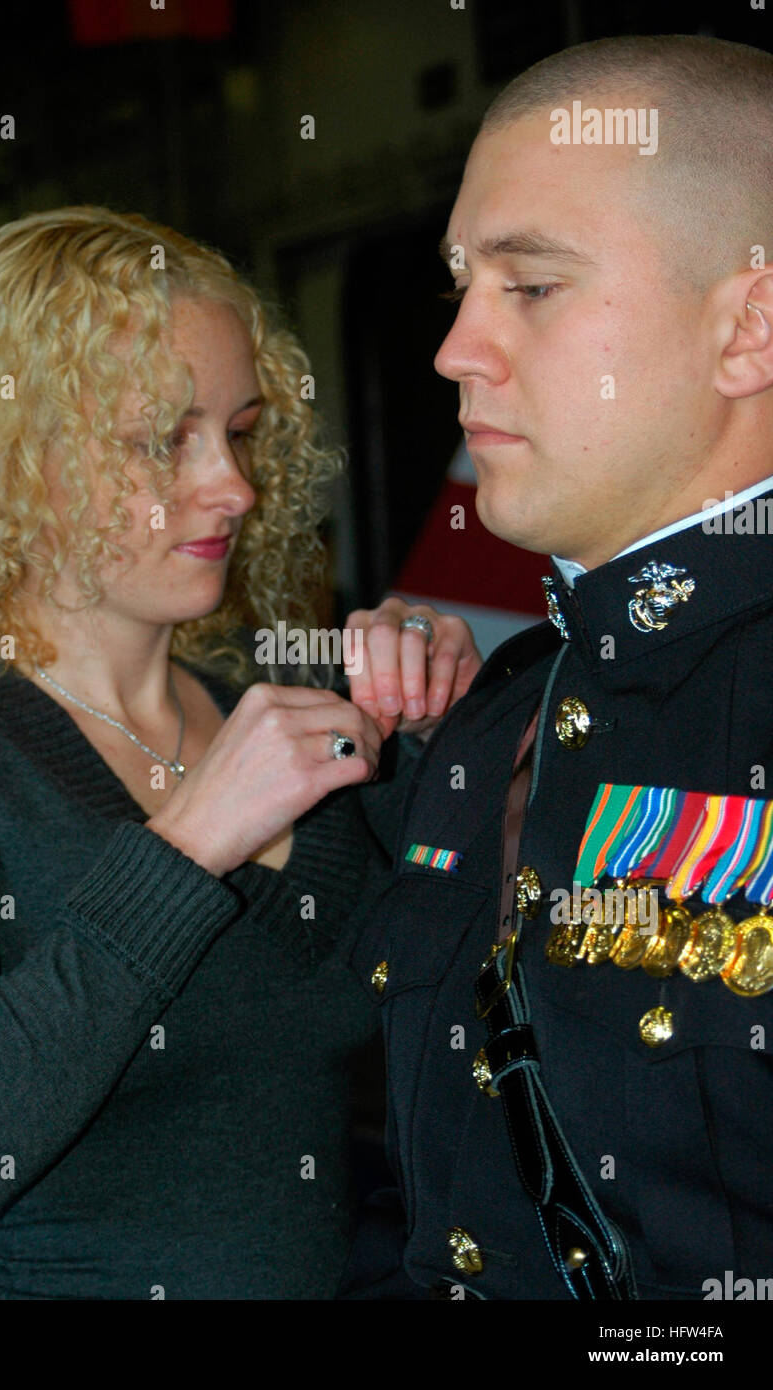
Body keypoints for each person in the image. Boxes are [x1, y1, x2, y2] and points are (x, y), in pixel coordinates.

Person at [0, 207, 480, 1300]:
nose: (231, 484)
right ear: (16, 460)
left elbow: (489, 1024)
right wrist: (187, 846)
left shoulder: (287, 729)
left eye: (238, 430)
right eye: (163, 439)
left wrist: (439, 749)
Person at [342, 33, 773, 1301]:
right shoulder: (501, 717)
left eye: (529, 289)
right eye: (459, 290)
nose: (455, 351)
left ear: (746, 326)